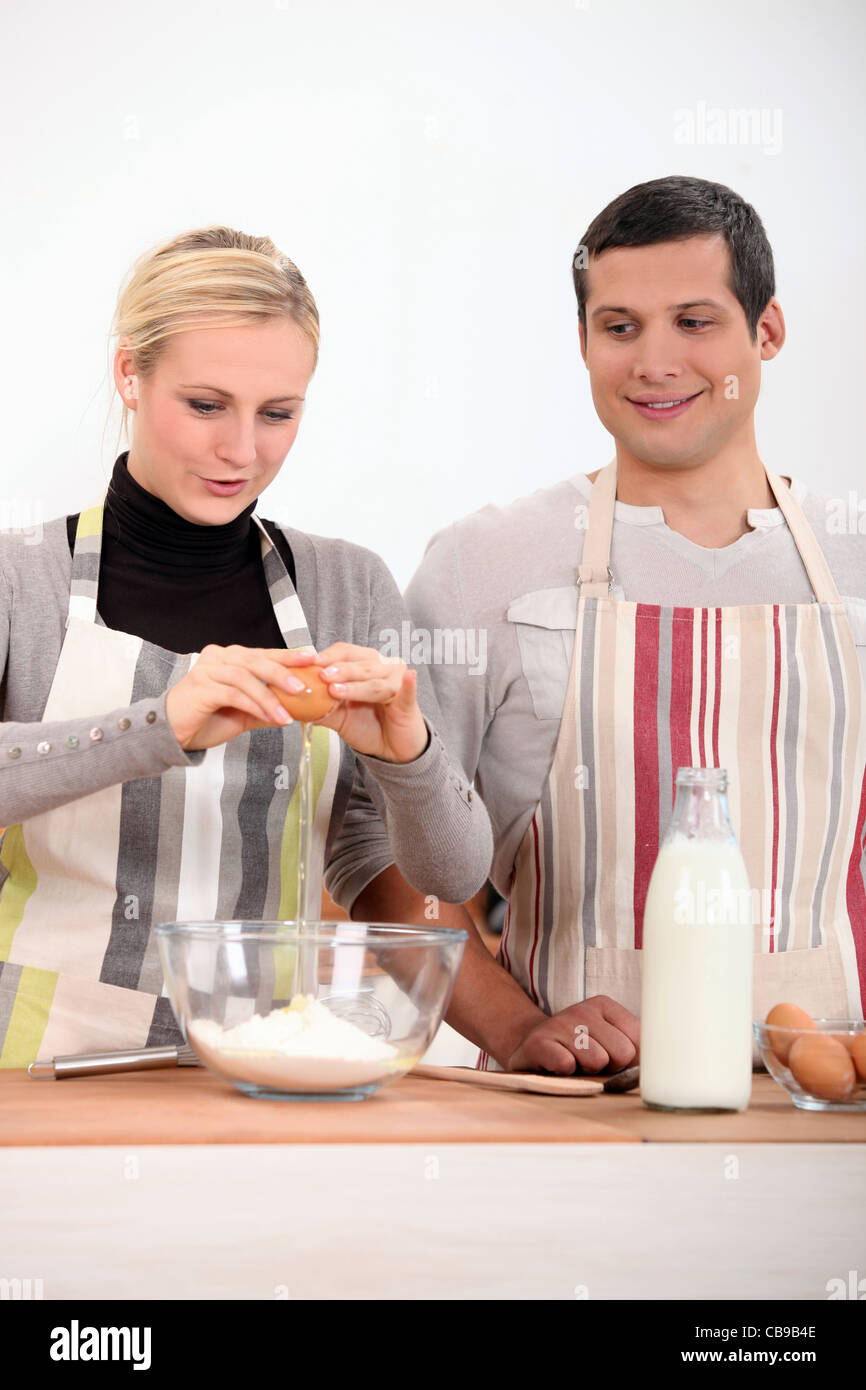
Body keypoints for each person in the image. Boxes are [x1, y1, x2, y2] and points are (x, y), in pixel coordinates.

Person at [399, 175, 866, 1073]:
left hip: (834, 1109)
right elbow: (387, 860)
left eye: (695, 322)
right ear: (583, 341)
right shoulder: (483, 565)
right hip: (572, 1117)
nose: (655, 362)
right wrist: (511, 1028)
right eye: (620, 327)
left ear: (765, 331)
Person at [0, 224, 492, 1067]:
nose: (242, 451)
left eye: (278, 414)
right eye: (205, 405)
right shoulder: (22, 580)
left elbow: (452, 872)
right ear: (130, 373)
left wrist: (408, 753)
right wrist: (161, 726)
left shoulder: (346, 587)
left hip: (262, 1064)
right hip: (31, 1069)